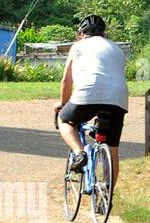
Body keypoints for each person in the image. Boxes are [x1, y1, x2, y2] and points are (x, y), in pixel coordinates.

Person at [55, 14, 129, 192]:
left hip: (87, 94)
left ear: (81, 33)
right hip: (118, 98)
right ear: (104, 34)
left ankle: (80, 152)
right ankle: (107, 194)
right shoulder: (117, 49)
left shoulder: (78, 46)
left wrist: (63, 104)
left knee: (64, 120)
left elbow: (66, 81)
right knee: (112, 148)